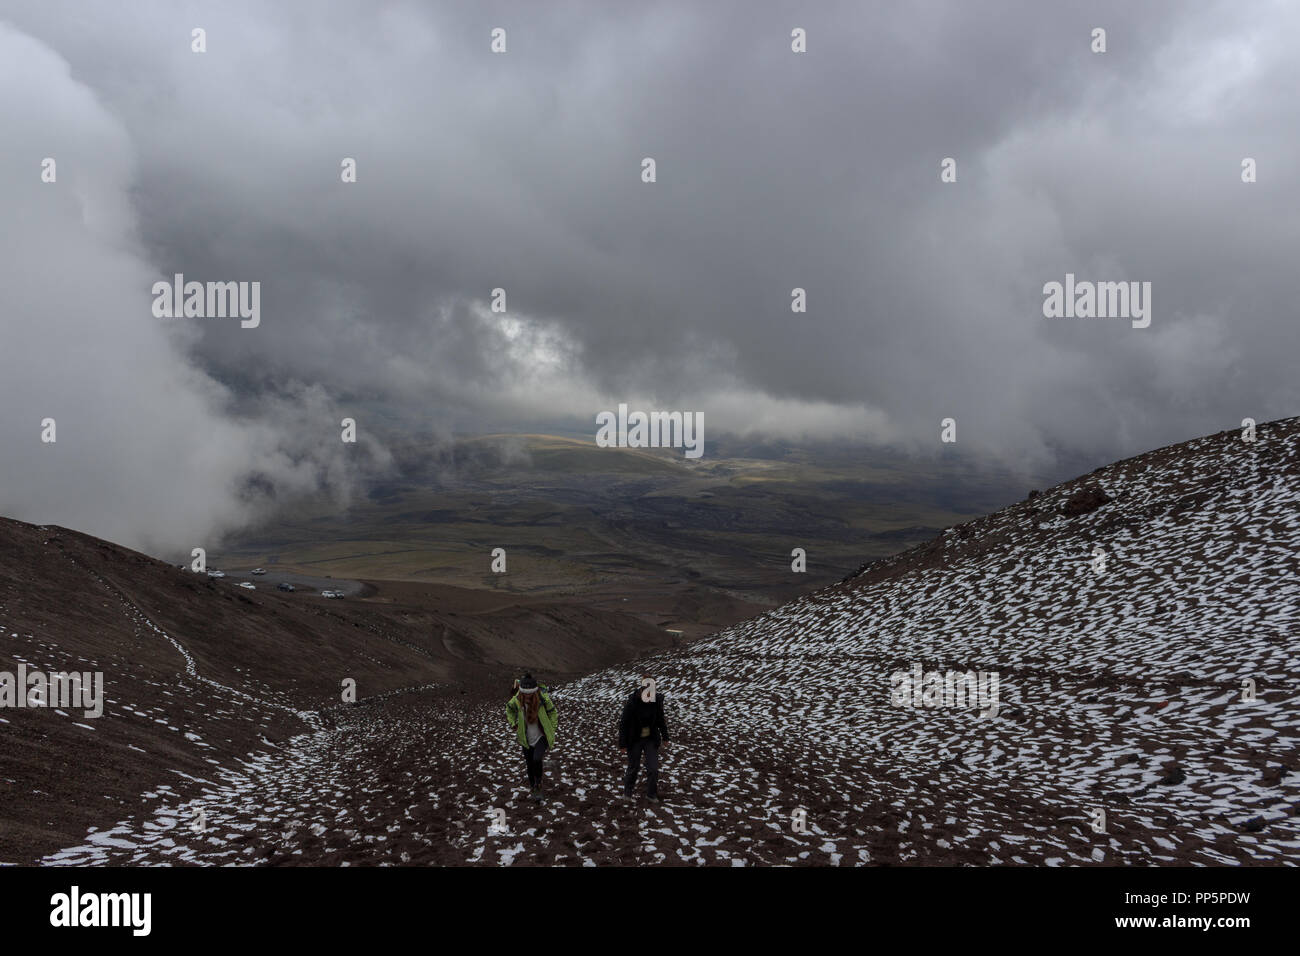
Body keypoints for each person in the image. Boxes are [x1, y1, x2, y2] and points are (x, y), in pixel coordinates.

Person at [505, 674, 557, 801]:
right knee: (529, 764)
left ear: (534, 692)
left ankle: (538, 784)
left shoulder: (543, 699)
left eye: (530, 693)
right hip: (525, 737)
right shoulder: (517, 700)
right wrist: (514, 723)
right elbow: (509, 709)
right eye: (525, 693)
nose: (527, 696)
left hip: (541, 736)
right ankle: (533, 787)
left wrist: (551, 729)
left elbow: (553, 712)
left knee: (536, 759)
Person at [618, 673, 670, 802]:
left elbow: (660, 720)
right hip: (634, 739)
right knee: (633, 767)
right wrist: (622, 744)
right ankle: (627, 794)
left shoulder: (656, 701)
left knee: (653, 768)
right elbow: (624, 723)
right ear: (642, 689)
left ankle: (651, 795)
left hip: (650, 739)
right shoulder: (632, 703)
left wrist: (665, 737)